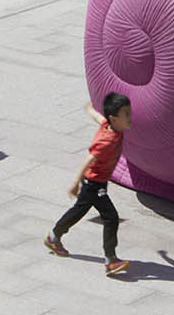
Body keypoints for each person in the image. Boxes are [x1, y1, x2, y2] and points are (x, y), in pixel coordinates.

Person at [45, 93, 133, 277]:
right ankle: (110, 260)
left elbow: (99, 118)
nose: (130, 117)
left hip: (96, 182)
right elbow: (89, 158)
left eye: (130, 112)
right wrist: (75, 183)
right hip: (94, 183)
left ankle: (54, 236)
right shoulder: (106, 141)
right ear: (114, 118)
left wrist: (89, 109)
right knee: (111, 217)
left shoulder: (110, 125)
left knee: (78, 210)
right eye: (126, 114)